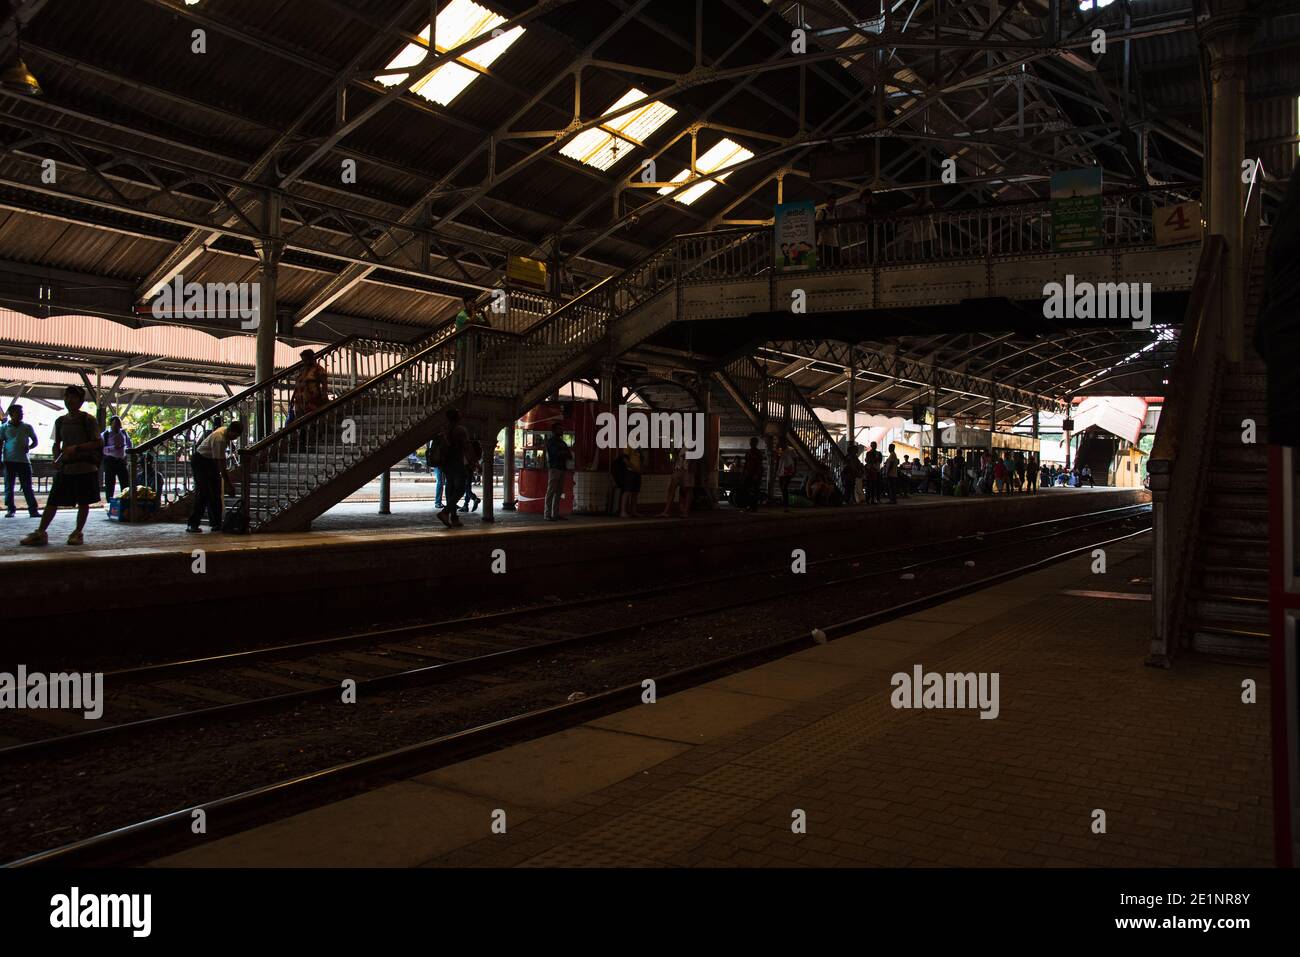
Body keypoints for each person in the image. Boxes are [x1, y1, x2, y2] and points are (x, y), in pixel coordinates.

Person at [20, 385, 102, 546]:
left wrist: (77, 448)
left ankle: (78, 532)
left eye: (72, 397)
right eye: (66, 396)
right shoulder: (60, 421)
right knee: (53, 500)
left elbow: (98, 442)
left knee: (83, 502)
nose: (68, 400)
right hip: (66, 467)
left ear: (80, 401)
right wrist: (56, 457)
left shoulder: (88, 420)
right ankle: (41, 532)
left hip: (85, 466)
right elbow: (56, 443)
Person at [186, 419, 244, 533]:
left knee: (216, 492)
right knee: (203, 492)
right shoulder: (219, 439)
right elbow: (221, 465)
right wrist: (228, 484)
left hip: (210, 461)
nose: (235, 439)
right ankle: (193, 524)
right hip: (200, 460)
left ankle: (216, 523)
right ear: (231, 431)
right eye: (235, 436)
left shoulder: (224, 430)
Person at [1, 404, 40, 518]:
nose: (21, 414)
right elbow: (0, 443)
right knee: (9, 486)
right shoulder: (4, 428)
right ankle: (10, 509)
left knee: (27, 486)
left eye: (22, 412)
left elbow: (35, 441)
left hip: (24, 461)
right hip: (9, 460)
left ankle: (33, 510)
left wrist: (30, 447)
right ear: (11, 414)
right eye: (19, 412)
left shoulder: (27, 427)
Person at [437, 409, 470, 529]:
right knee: (460, 489)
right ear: (457, 417)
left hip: (446, 464)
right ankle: (445, 512)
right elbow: (466, 448)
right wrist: (475, 463)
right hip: (457, 463)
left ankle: (454, 517)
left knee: (450, 489)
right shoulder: (460, 430)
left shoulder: (444, 429)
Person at [100, 415, 133, 501]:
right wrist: (114, 447)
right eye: (116, 424)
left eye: (119, 424)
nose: (118, 426)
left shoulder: (124, 433)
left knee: (125, 482)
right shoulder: (105, 435)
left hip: (121, 461)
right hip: (110, 461)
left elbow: (129, 444)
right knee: (110, 483)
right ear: (111, 424)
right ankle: (109, 501)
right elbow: (101, 449)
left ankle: (125, 501)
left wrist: (127, 453)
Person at [291, 349, 329, 420]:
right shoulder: (303, 370)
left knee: (310, 417)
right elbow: (298, 384)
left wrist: (324, 395)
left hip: (311, 398)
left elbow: (324, 383)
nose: (304, 362)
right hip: (299, 399)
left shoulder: (318, 369)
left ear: (310, 358)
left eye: (305, 360)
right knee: (300, 419)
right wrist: (293, 397)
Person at [544, 423, 569, 521]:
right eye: (559, 429)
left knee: (556, 492)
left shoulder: (554, 442)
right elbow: (562, 454)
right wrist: (564, 453)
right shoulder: (557, 442)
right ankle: (549, 515)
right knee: (552, 492)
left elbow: (561, 454)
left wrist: (562, 453)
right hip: (556, 468)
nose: (561, 430)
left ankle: (553, 514)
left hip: (557, 468)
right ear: (554, 430)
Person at [660, 447, 693, 519]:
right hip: (678, 468)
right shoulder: (679, 445)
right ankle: (666, 511)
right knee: (672, 489)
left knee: (687, 490)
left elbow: (697, 455)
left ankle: (685, 511)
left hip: (687, 469)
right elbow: (673, 456)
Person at [741, 436, 764, 512]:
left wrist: (757, 474)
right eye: (751, 442)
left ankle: (754, 507)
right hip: (748, 474)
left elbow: (760, 465)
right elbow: (746, 463)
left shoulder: (758, 453)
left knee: (755, 491)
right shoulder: (748, 452)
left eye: (753, 442)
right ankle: (747, 505)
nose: (751, 444)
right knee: (745, 490)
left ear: (756, 443)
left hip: (755, 474)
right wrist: (743, 473)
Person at [461, 438, 483, 512]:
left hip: (464, 468)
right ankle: (465, 505)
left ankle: (474, 498)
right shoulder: (475, 446)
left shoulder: (466, 446)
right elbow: (476, 459)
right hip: (470, 468)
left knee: (464, 487)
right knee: (468, 487)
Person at [776, 442, 797, 511]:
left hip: (789, 469)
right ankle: (785, 502)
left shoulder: (791, 450)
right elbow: (778, 460)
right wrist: (776, 470)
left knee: (784, 487)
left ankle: (786, 505)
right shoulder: (779, 450)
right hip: (781, 469)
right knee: (781, 487)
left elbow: (795, 459)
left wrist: (795, 469)